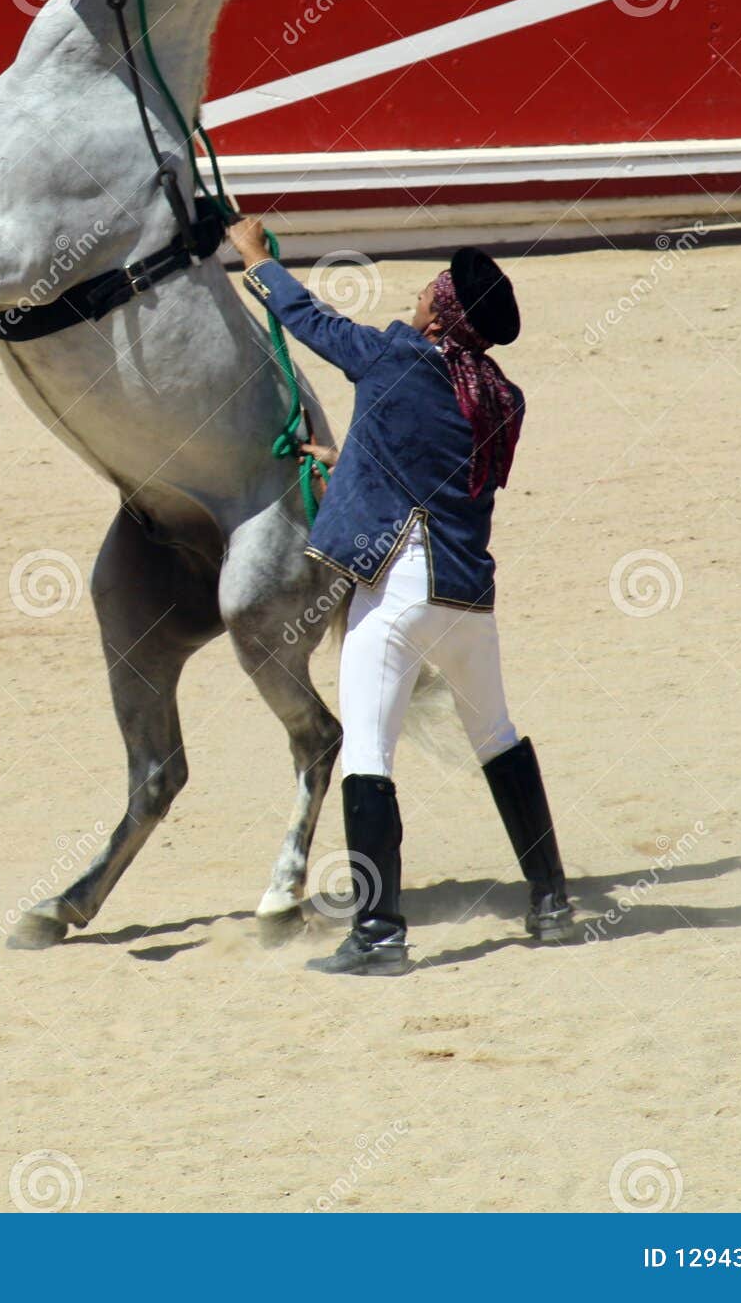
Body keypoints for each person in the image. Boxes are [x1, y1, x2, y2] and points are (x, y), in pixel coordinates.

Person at [229, 216, 573, 976]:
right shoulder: (502, 399)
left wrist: (256, 260)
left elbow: (311, 323)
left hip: (399, 590)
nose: (416, 295)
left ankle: (380, 934)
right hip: (468, 599)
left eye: (427, 292)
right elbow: (430, 460)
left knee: (367, 754)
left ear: (439, 315)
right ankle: (550, 902)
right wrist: (352, 460)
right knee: (498, 739)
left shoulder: (394, 356)